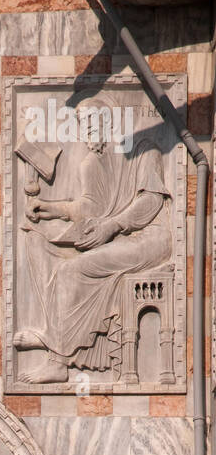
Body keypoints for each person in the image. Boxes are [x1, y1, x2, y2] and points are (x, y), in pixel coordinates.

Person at [14, 114, 172, 384]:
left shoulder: (145, 148)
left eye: (90, 122)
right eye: (82, 125)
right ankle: (55, 335)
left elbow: (151, 201)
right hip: (120, 237)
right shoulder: (94, 162)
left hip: (150, 240)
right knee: (38, 242)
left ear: (109, 122)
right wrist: (49, 209)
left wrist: (112, 226)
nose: (86, 132)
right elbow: (90, 207)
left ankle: (57, 361)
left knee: (71, 271)